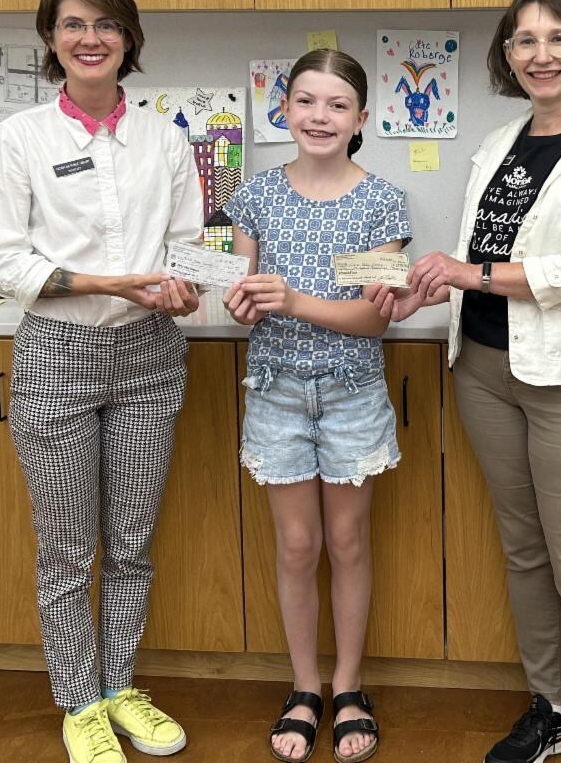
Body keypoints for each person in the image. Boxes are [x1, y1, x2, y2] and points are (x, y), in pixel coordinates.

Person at [378, 0, 561, 763]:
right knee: (525, 551)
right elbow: (482, 255)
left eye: (557, 38)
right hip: (483, 367)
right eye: (524, 41)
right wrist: (425, 288)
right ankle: (555, 707)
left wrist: (466, 272)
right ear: (507, 56)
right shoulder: (499, 142)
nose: (541, 54)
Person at [0, 0, 201, 763]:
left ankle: (119, 687)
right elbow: (5, 263)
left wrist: (182, 289)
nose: (90, 38)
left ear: (128, 37)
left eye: (106, 24)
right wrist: (111, 282)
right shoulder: (21, 138)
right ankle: (79, 703)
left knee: (132, 542)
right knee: (69, 548)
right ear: (51, 37)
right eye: (73, 24)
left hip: (149, 356)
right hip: (56, 355)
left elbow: (185, 248)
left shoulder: (163, 139)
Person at [222, 48, 411, 763]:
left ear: (361, 119)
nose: (319, 116)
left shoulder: (382, 203)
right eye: (305, 101)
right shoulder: (254, 197)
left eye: (337, 105)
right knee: (297, 546)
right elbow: (242, 295)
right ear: (284, 110)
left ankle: (350, 686)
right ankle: (305, 687)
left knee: (348, 542)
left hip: (352, 391)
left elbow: (373, 318)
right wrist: (243, 302)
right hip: (274, 391)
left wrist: (293, 300)